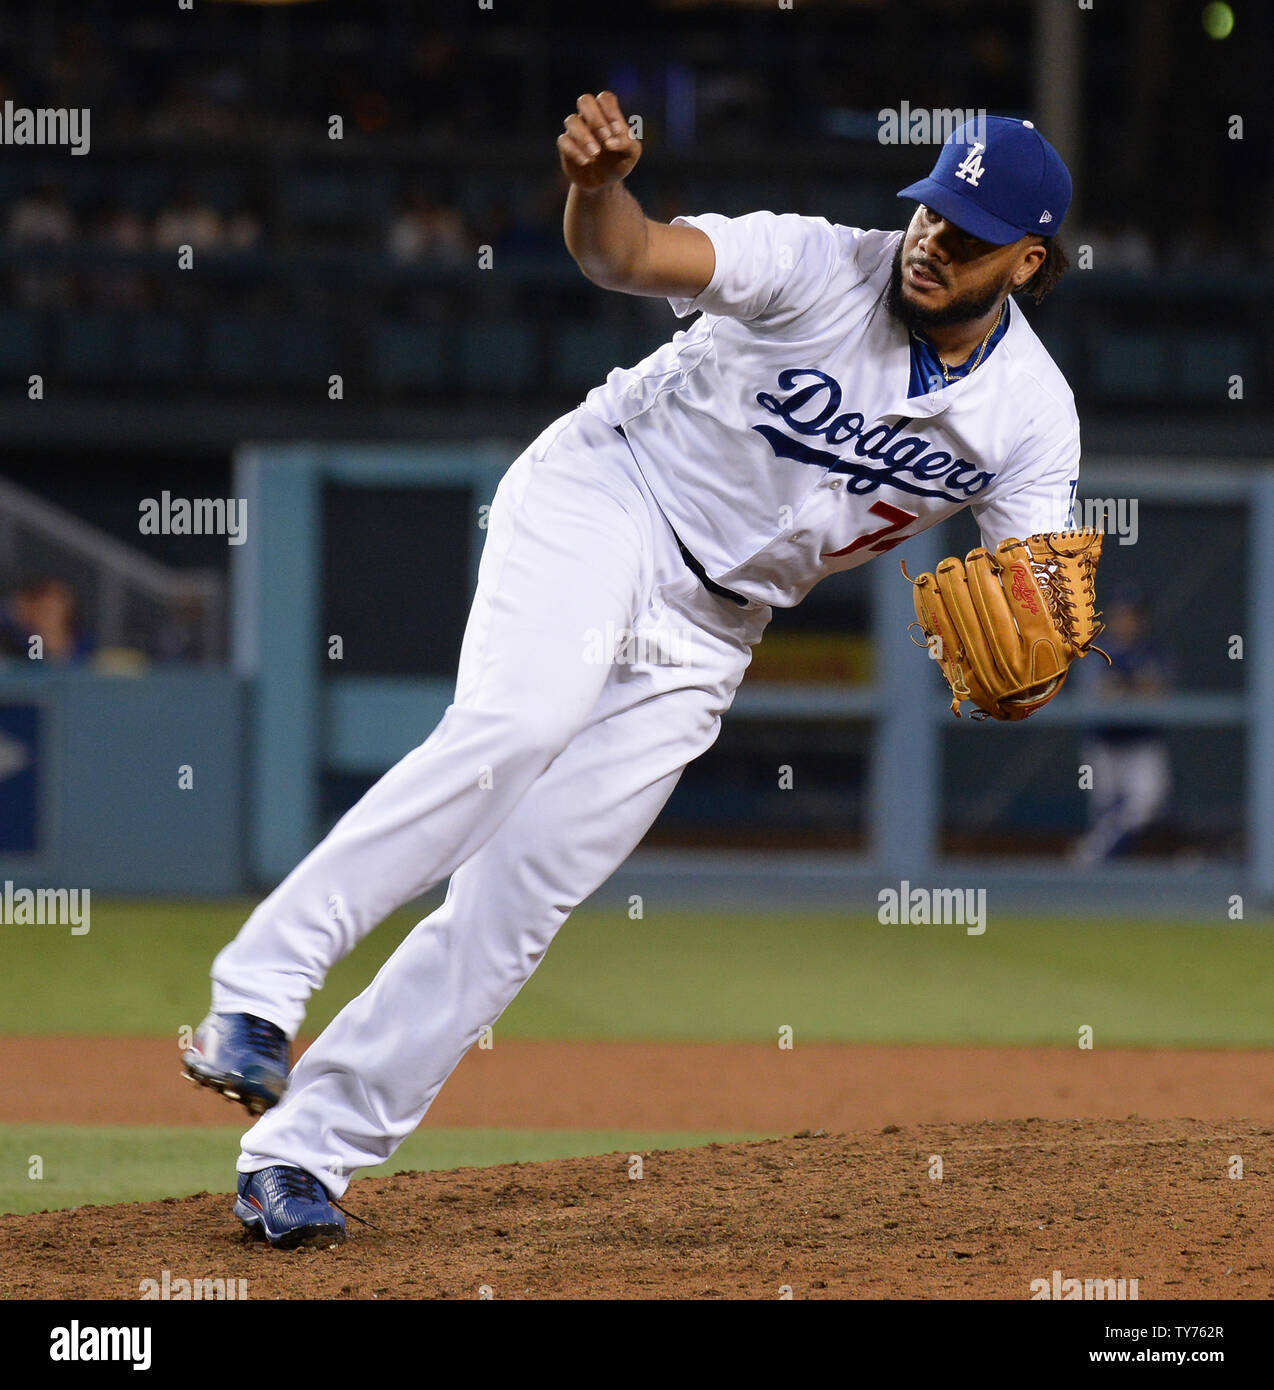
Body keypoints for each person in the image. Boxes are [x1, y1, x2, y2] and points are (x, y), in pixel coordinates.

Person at [185, 96, 1083, 1248]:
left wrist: (1035, 649)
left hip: (714, 627)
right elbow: (627, 252)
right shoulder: (814, 261)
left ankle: (300, 1154)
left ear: (1027, 258)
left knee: (520, 898)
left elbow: (1029, 586)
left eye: (965, 234)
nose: (928, 239)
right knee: (515, 724)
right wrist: (595, 187)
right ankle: (256, 994)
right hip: (606, 499)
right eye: (927, 211)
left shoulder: (1030, 413)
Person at [1072, 587, 1172, 864]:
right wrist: (1133, 687)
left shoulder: (1153, 652)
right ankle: (1101, 867)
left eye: (1135, 615)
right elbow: (1098, 693)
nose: (1130, 620)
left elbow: (1158, 693)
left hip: (1142, 743)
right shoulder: (1097, 650)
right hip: (1104, 742)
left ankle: (1090, 855)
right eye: (1124, 614)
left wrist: (1125, 687)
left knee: (1147, 805)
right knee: (1106, 808)